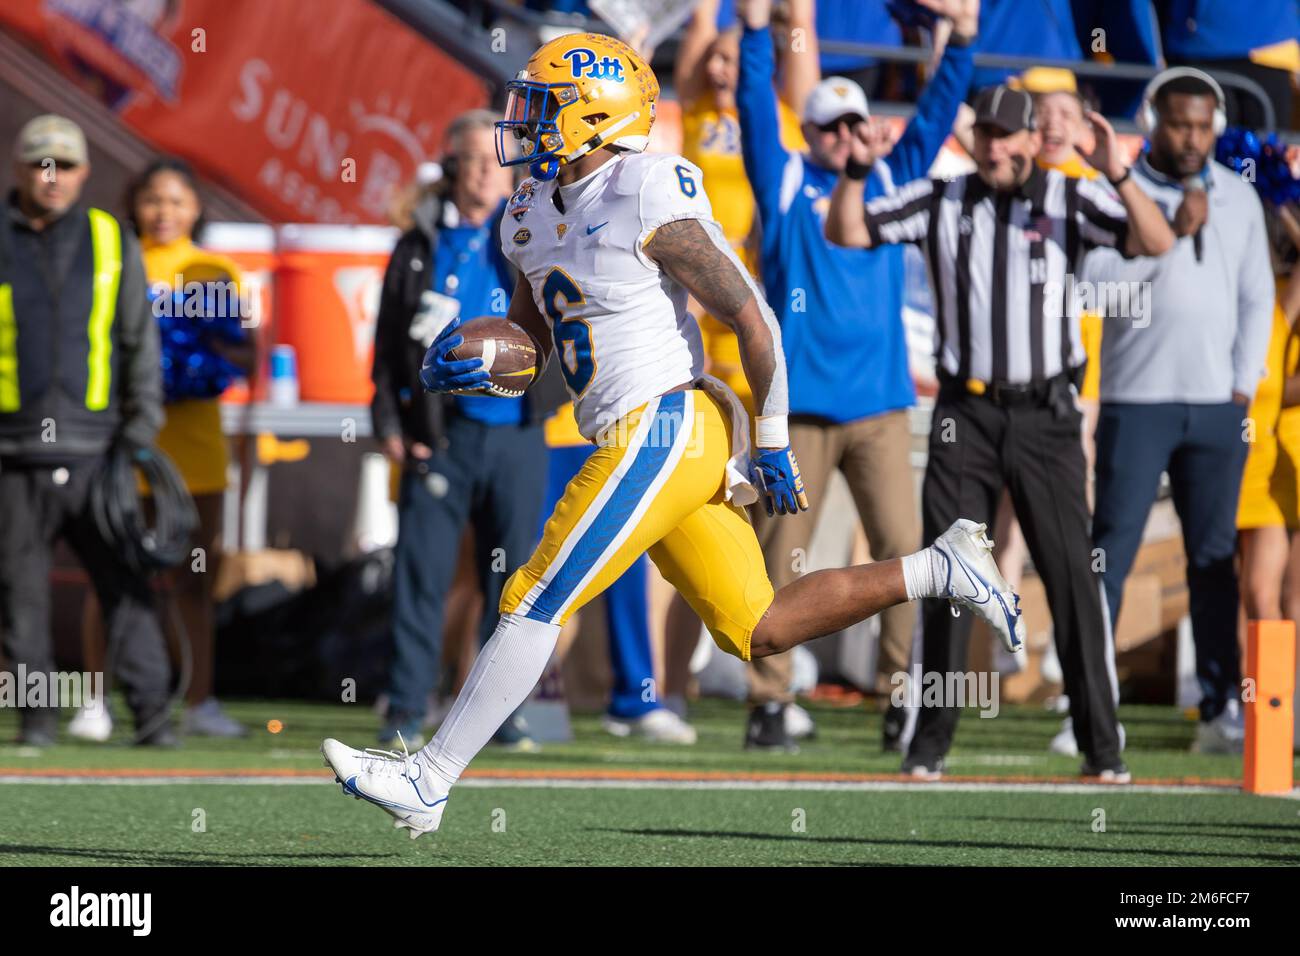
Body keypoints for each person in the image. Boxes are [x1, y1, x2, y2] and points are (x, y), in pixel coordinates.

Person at [322, 32, 1025, 838]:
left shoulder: (645, 188)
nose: (527, 122)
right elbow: (537, 342)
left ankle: (429, 778)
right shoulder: (526, 213)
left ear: (595, 118)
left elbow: (751, 316)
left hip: (666, 424)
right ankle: (941, 566)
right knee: (757, 629)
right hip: (629, 430)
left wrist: (769, 438)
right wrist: (490, 361)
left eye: (545, 108)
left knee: (533, 595)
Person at [826, 84, 1176, 782]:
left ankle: (1101, 750)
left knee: (1072, 576)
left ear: (1028, 140)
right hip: (967, 416)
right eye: (985, 134)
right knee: (951, 576)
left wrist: (1117, 169)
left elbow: (1155, 240)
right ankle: (929, 746)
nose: (994, 147)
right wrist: (858, 172)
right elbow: (849, 231)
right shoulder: (943, 198)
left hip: (1046, 414)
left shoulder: (1069, 198)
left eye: (1006, 135)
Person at [735, 0, 978, 751]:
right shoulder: (781, 182)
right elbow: (751, 106)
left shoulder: (892, 175)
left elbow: (937, 112)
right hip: (798, 407)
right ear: (808, 134)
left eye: (854, 123)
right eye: (829, 127)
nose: (844, 136)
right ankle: (770, 702)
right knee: (777, 562)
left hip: (877, 406)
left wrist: (963, 36)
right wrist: (752, 32)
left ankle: (901, 696)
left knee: (907, 555)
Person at [1084, 69, 1274, 755]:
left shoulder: (1241, 196)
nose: (1191, 138)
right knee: (1111, 549)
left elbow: (1258, 297)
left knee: (1212, 559)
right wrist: (1161, 232)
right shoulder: (1112, 192)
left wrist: (1242, 386)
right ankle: (1092, 700)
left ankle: (1222, 705)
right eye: (1177, 124)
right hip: (1137, 400)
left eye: (1202, 125)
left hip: (1216, 406)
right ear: (1151, 121)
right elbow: (1091, 290)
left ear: (1215, 126)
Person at [369, 109, 567, 749]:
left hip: (515, 431)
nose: (486, 172)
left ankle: (499, 715)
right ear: (453, 165)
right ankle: (405, 705)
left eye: (495, 159)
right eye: (473, 160)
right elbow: (386, 346)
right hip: (442, 434)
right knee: (420, 575)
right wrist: (391, 420)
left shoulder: (532, 231)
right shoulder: (421, 241)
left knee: (511, 581)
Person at [0, 115, 175, 746]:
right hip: (13, 451)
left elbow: (137, 339)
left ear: (84, 173)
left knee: (125, 587)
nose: (53, 176)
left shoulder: (110, 237)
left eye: (66, 165)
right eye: (40, 163)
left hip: (98, 449)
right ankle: (37, 723)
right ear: (19, 167)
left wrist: (141, 428)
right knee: (20, 597)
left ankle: (155, 719)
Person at [69, 158, 254, 742]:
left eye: (177, 201)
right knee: (112, 574)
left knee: (194, 577)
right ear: (135, 204)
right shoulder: (115, 260)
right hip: (125, 446)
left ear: (196, 208)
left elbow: (244, 358)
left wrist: (195, 359)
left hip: (195, 449)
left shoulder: (215, 271)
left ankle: (199, 701)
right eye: (154, 200)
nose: (164, 213)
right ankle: (94, 702)